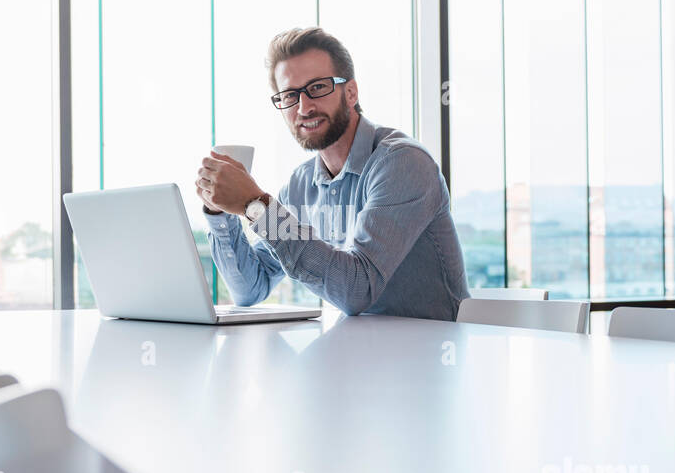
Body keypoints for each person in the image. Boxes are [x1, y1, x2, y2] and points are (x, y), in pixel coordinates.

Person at [195, 27, 470, 322]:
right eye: (289, 95)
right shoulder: (301, 185)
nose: (304, 107)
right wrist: (218, 210)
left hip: (429, 356)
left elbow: (357, 290)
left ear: (350, 92)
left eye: (317, 88)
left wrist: (257, 206)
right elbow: (251, 288)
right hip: (353, 355)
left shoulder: (402, 164)